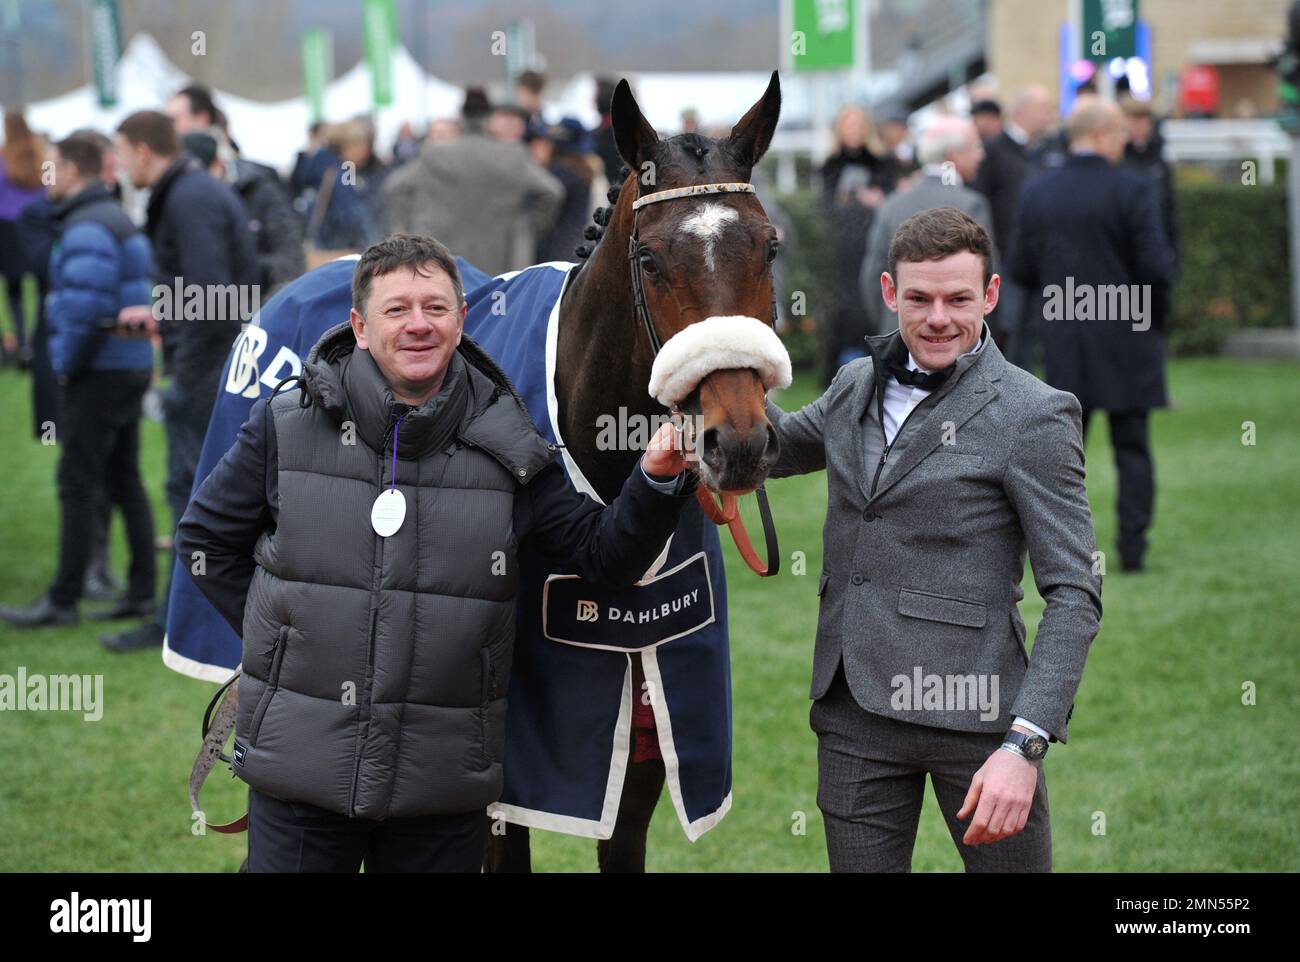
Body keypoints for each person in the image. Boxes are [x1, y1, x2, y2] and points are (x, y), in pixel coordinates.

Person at [175, 234, 696, 872]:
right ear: (360, 328)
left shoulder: (513, 446)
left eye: (435, 308)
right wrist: (280, 641)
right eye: (397, 310)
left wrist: (657, 479)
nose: (418, 325)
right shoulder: (286, 423)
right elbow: (204, 542)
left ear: (461, 321)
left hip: (440, 787)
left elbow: (605, 556)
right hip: (299, 771)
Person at [765, 206, 1103, 872]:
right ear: (889, 293)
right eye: (919, 299)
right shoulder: (853, 384)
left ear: (992, 295)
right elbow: (769, 449)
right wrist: (714, 364)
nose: (939, 318)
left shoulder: (1033, 413)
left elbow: (1075, 591)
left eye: (959, 299)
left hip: (979, 718)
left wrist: (1024, 745)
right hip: (853, 711)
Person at [101, 110, 257, 652]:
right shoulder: (193, 191)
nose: (119, 166)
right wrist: (161, 314)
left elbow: (214, 298)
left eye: (121, 152)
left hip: (205, 372)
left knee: (192, 498)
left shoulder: (188, 197)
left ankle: (179, 623)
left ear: (143, 150)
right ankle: (182, 618)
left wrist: (182, 382)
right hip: (213, 363)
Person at [1008, 98, 1174, 573]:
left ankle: (1060, 550)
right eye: (1121, 132)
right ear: (1100, 135)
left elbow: (1021, 266)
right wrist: (1153, 321)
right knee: (1133, 446)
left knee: (1060, 455)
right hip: (1129, 336)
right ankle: (1133, 547)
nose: (1127, 140)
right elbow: (1156, 268)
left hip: (1065, 338)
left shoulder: (1038, 192)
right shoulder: (1133, 190)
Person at [0, 133, 157, 628]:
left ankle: (63, 601)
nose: (46, 177)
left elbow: (86, 310)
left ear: (71, 171)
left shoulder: (87, 227)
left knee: (76, 481)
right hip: (126, 363)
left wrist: (66, 366)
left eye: (52, 167)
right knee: (124, 477)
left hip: (100, 369)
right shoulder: (112, 219)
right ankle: (140, 591)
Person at [384, 90, 562, 276]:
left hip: (441, 263)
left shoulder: (435, 155)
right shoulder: (512, 156)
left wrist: (413, 231)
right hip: (500, 262)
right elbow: (552, 191)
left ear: (461, 118)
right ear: (488, 119)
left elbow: (394, 187)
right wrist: (527, 230)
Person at [859, 116, 993, 339]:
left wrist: (891, 318)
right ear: (954, 155)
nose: (981, 155)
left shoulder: (892, 204)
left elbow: (871, 277)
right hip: (957, 338)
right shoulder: (972, 205)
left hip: (898, 333)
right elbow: (986, 275)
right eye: (975, 147)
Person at [820, 105, 893, 383]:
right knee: (846, 306)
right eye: (848, 125)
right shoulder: (830, 164)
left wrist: (878, 201)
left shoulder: (881, 163)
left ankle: (876, 364)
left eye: (858, 125)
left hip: (874, 242)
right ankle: (844, 370)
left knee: (871, 300)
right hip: (842, 247)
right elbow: (825, 207)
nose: (853, 131)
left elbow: (891, 200)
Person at [0, 110, 44, 367]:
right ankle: (35, 338)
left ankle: (22, 342)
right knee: (40, 287)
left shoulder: (3, 158)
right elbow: (50, 186)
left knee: (14, 291)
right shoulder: (42, 156)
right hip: (35, 224)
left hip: (7, 227)